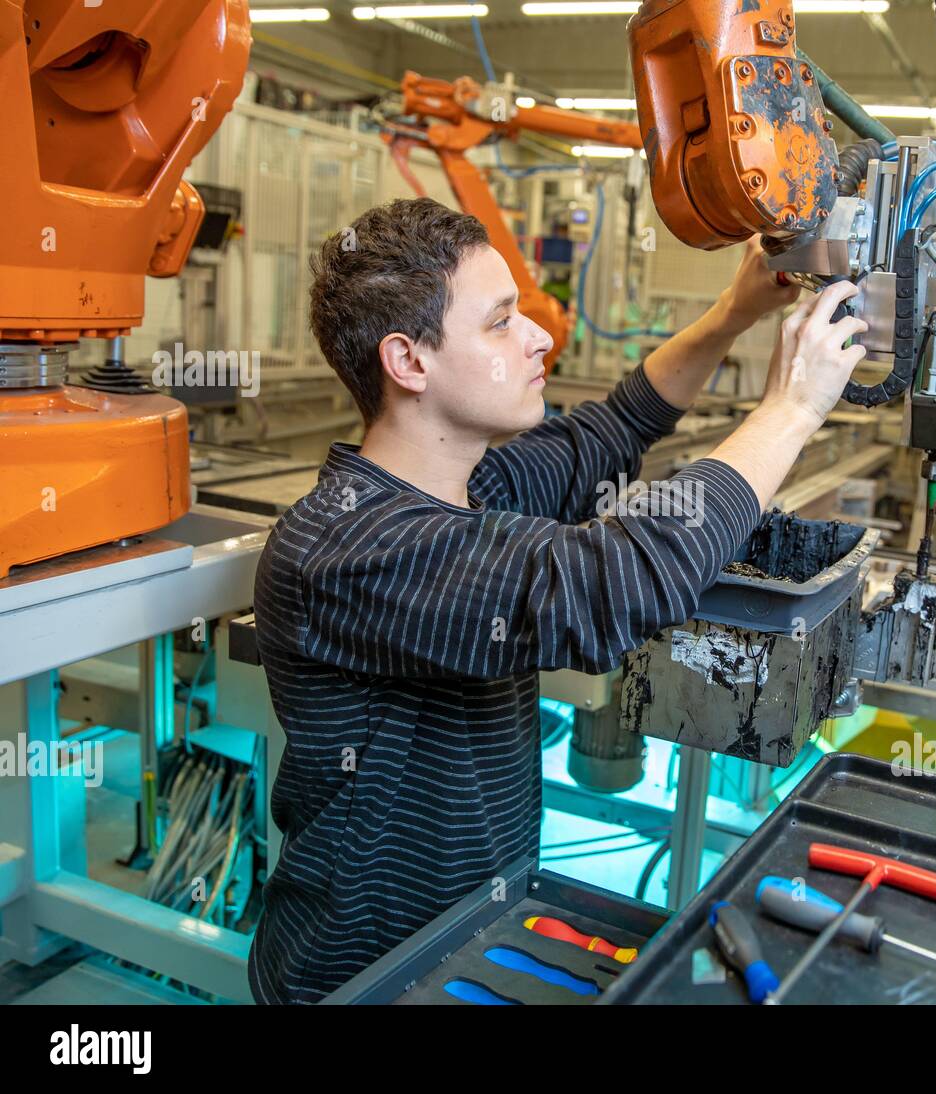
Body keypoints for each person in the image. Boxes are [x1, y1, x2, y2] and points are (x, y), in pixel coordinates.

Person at [248, 197, 867, 1002]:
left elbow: (613, 428)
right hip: (367, 976)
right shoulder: (348, 548)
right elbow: (620, 583)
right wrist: (792, 408)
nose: (539, 335)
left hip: (473, 937)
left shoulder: (474, 488)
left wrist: (734, 311)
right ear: (409, 361)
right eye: (502, 321)